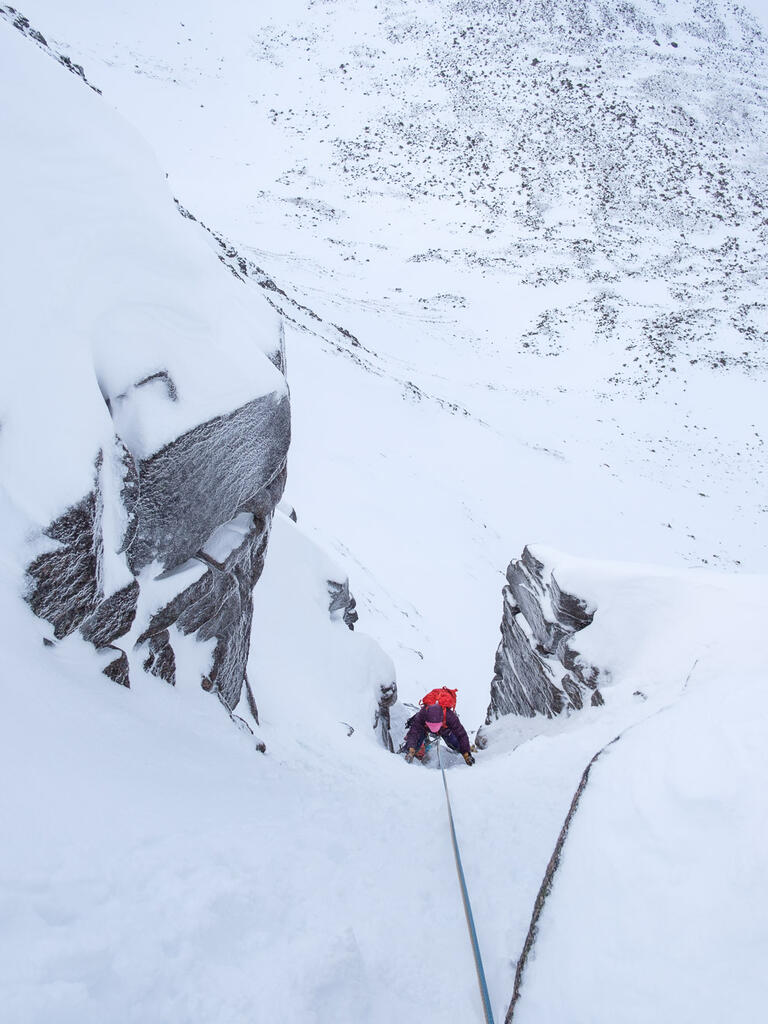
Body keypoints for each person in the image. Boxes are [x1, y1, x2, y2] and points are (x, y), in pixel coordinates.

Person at [404, 703, 475, 765]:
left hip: (444, 729)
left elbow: (461, 734)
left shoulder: (449, 716)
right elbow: (414, 733)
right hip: (425, 727)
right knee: (416, 741)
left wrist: (466, 754)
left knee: (454, 742)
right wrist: (411, 749)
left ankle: (467, 749)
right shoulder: (422, 715)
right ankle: (405, 755)